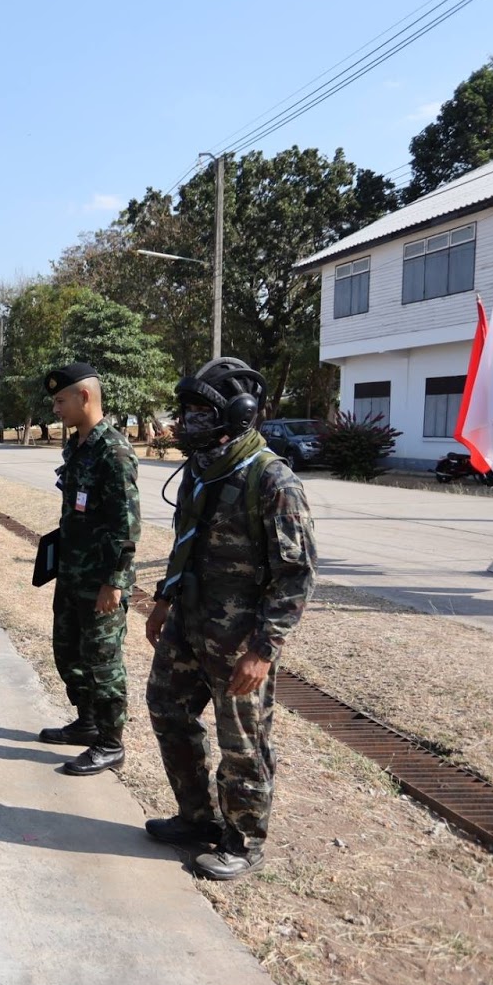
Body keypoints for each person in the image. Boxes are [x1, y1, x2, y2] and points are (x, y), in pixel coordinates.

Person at [143, 357, 318, 880]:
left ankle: (243, 841)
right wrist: (164, 600)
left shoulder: (272, 480)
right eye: (186, 410)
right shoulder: (201, 470)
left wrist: (265, 649)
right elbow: (185, 545)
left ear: (239, 414)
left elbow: (297, 574)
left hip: (240, 639)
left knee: (242, 741)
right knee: (167, 709)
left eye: (200, 410)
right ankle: (197, 817)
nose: (188, 420)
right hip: (189, 623)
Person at [38, 364, 140, 776]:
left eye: (60, 400)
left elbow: (127, 524)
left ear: (84, 397)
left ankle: (111, 742)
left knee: (103, 661)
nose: (56, 408)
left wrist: (114, 582)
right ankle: (87, 721)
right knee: (68, 652)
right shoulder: (77, 447)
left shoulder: (112, 450)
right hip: (72, 573)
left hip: (101, 580)